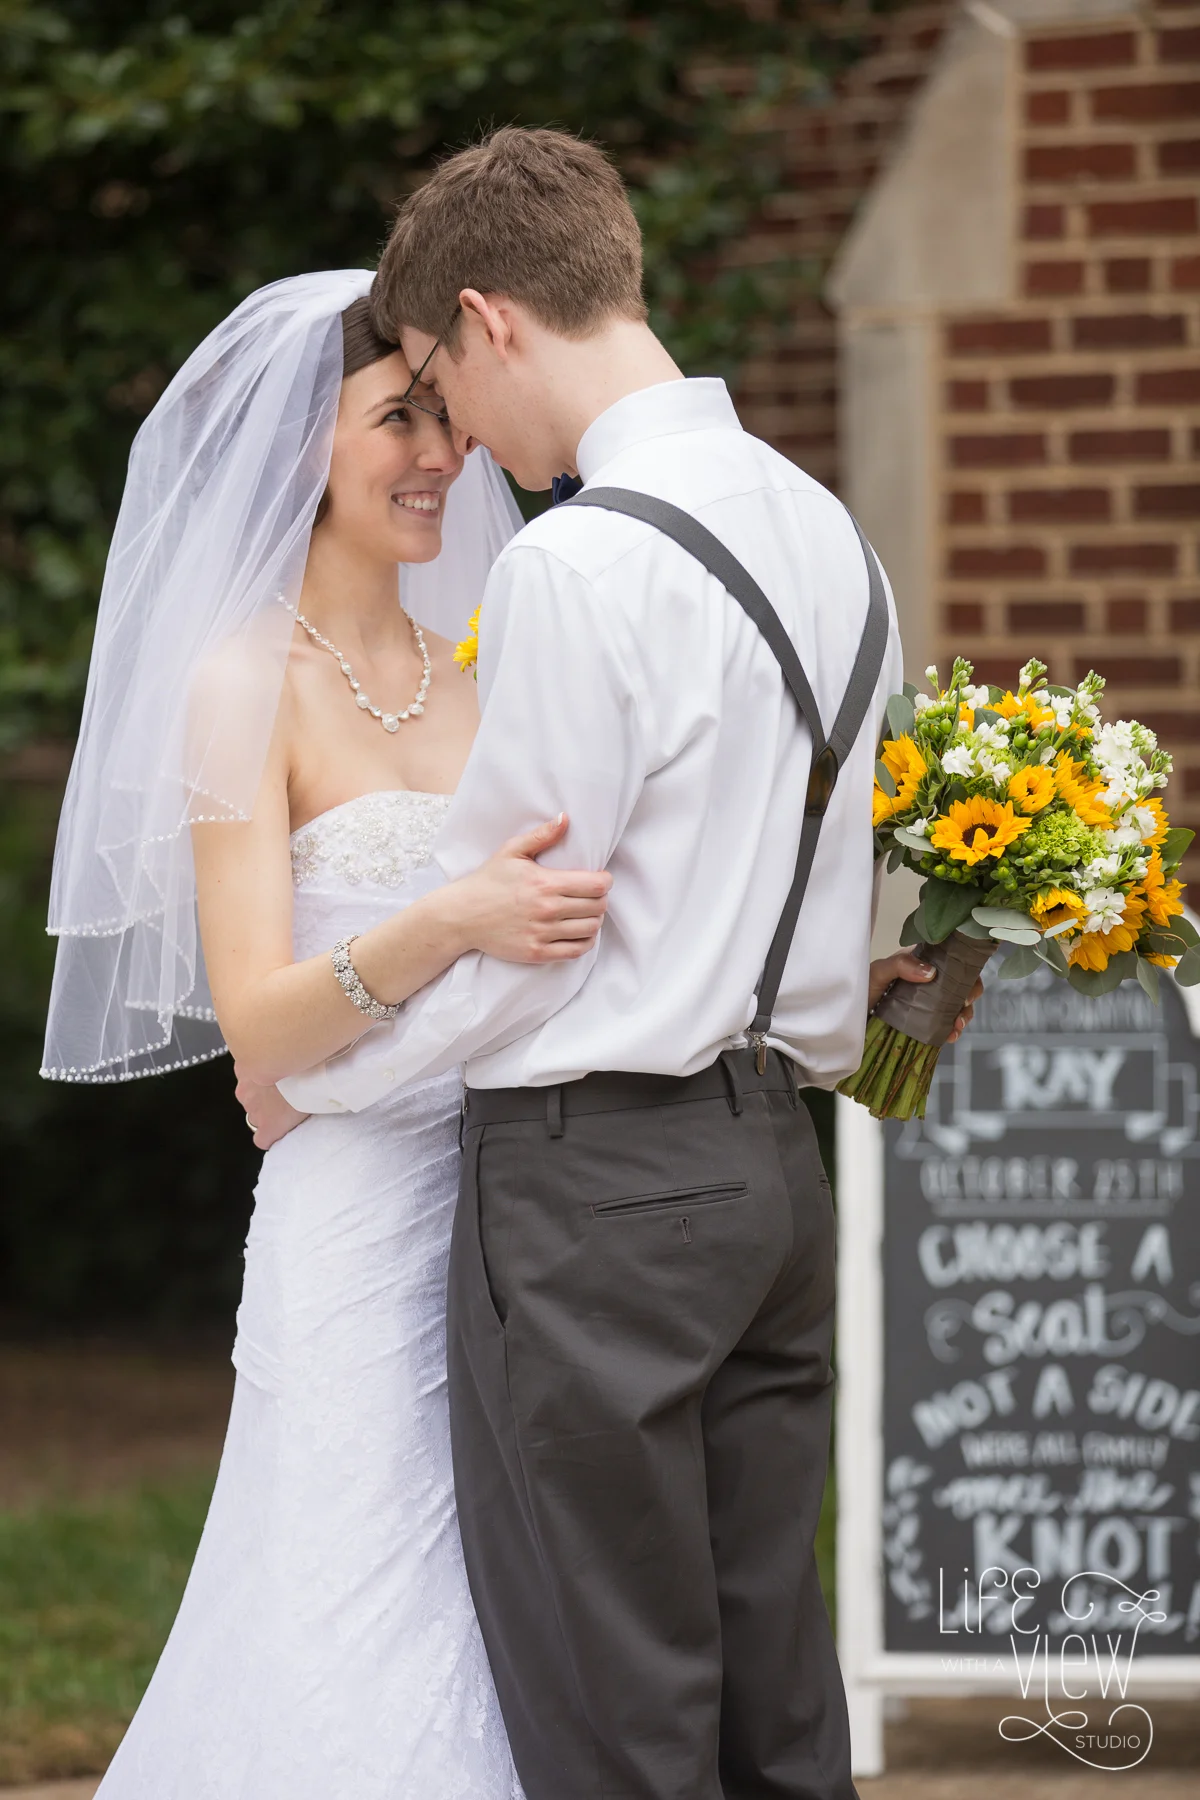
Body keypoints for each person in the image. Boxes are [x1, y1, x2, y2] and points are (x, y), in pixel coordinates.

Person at [249, 130, 978, 1800]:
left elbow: (518, 941)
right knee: (774, 1697)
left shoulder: (580, 567)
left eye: (438, 373)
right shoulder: (825, 533)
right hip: (772, 1179)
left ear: (491, 320)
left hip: (595, 1201)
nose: (462, 437)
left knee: (616, 1716)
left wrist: (328, 1078)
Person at [41, 268, 611, 1797]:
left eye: (448, 414)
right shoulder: (243, 685)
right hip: (357, 1223)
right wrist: (445, 923)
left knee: (504, 1608)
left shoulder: (489, 664)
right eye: (397, 417)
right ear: (302, 447)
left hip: (523, 1200)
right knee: (350, 1591)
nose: (443, 452)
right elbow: (258, 1017)